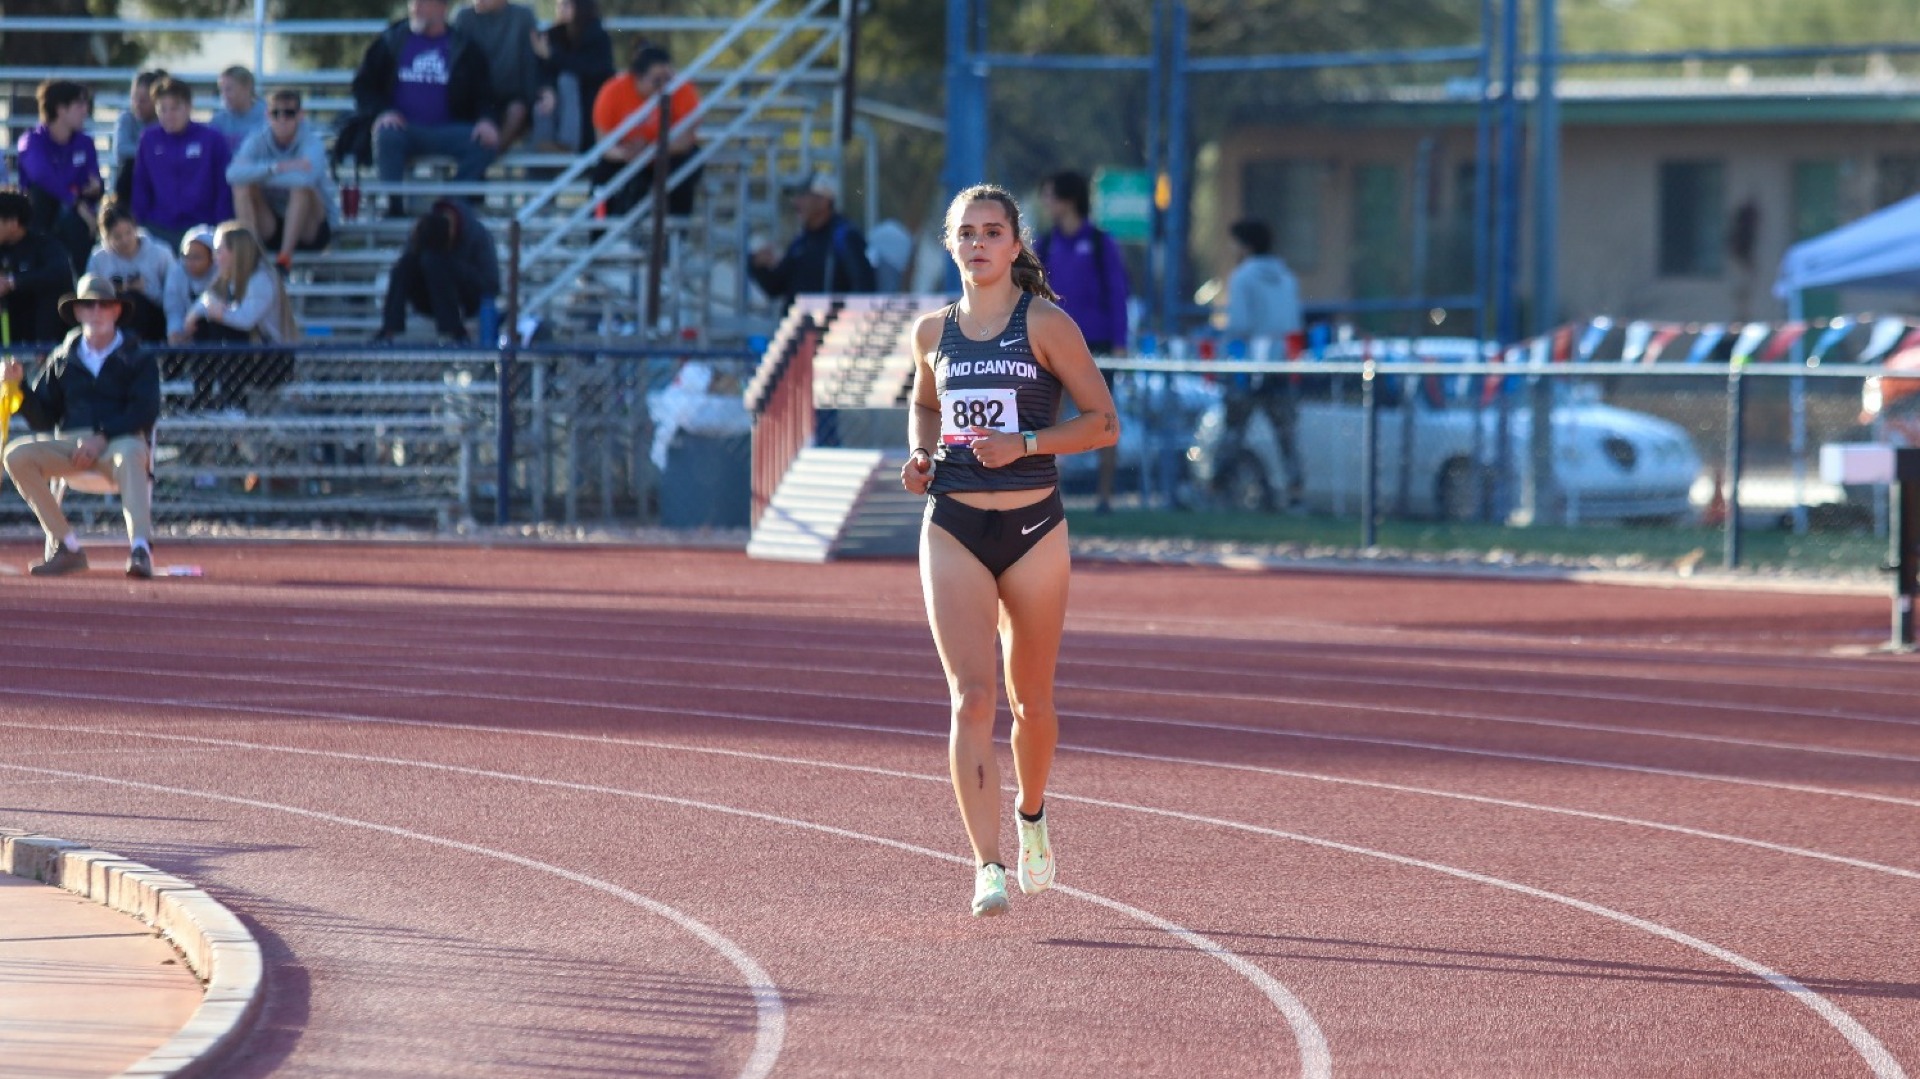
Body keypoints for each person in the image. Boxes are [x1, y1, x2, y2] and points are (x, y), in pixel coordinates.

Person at [898, 183, 1118, 917]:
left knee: (1032, 703)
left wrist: (1022, 443)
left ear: (1016, 244)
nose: (980, 243)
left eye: (994, 231)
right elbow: (925, 400)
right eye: (967, 233)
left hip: (1033, 531)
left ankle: (1031, 816)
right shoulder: (933, 332)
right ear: (951, 244)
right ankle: (985, 864)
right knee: (971, 697)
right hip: (953, 521)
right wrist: (921, 452)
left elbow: (1102, 423)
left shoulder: (1047, 325)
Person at [1, 273, 161, 578]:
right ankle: (68, 546)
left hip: (120, 442)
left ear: (116, 311)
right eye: (88, 305)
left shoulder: (139, 357)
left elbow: (145, 411)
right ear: (77, 312)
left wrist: (101, 438)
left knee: (130, 453)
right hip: (70, 445)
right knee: (15, 455)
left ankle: (140, 549)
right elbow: (44, 419)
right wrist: (19, 388)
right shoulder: (61, 358)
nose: (96, 312)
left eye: (104, 305)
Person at [1038, 170, 1131, 512]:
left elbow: (1117, 293)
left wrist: (1120, 342)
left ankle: (1104, 498)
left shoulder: (1099, 243)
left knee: (1103, 420)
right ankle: (1048, 496)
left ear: (1068, 198)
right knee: (1048, 421)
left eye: (1050, 195)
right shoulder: (1045, 245)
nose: (1046, 202)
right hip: (1053, 346)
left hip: (1098, 345)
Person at [352, 0, 501, 210]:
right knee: (386, 134)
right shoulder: (391, 40)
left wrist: (487, 120)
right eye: (413, 3)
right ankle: (394, 208)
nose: (416, 8)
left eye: (423, 3)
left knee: (485, 142)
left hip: (449, 129)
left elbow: (485, 94)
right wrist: (382, 113)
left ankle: (450, 209)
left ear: (442, 8)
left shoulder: (464, 47)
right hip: (404, 129)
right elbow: (363, 86)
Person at [1215, 217, 1305, 509]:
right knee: (1286, 435)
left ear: (1246, 245)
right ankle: (1295, 494)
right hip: (1281, 364)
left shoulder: (1242, 277)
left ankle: (1219, 489)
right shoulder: (1288, 277)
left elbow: (1239, 323)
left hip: (1248, 366)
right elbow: (1293, 322)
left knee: (1234, 431)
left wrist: (1225, 341)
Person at [181, 223, 296, 411]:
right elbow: (205, 302)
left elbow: (245, 320)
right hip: (250, 357)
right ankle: (201, 400)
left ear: (236, 252)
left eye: (219, 251)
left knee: (225, 329)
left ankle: (234, 407)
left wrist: (219, 312)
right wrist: (194, 315)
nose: (215, 258)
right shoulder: (227, 277)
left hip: (274, 362)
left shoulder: (262, 279)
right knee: (205, 325)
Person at [228, 89, 339, 271]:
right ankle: (250, 257)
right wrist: (278, 167)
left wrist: (256, 173)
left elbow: (305, 179)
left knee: (301, 189)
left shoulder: (312, 142)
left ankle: (284, 259)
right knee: (242, 187)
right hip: (271, 225)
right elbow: (232, 174)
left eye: (289, 113)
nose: (282, 119)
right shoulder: (257, 139)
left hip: (310, 229)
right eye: (275, 113)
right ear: (267, 115)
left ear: (300, 115)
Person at [591, 43, 703, 217]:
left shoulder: (682, 89)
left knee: (685, 168)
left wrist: (651, 149)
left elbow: (686, 140)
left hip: (667, 153)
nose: (665, 85)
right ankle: (598, 232)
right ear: (637, 78)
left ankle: (677, 234)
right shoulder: (613, 91)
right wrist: (625, 153)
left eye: (668, 78)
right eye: (657, 80)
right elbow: (604, 143)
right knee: (602, 176)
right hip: (629, 153)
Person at [373, 198, 499, 343]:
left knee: (435, 261)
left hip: (469, 299)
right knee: (407, 263)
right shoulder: (424, 230)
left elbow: (491, 284)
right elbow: (404, 271)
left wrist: (453, 267)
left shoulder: (477, 234)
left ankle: (454, 332)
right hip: (429, 299)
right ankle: (390, 329)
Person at [132, 77, 234, 250]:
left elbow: (223, 188)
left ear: (188, 107)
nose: (169, 115)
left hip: (203, 227)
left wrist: (220, 227)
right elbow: (141, 185)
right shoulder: (149, 139)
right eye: (162, 109)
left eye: (175, 108)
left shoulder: (211, 139)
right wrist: (139, 224)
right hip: (158, 227)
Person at [748, 172, 874, 309]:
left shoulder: (845, 237)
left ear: (824, 201)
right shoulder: (801, 242)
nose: (796, 202)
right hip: (800, 327)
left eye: (803, 196)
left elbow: (863, 290)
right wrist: (758, 265)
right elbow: (775, 287)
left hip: (832, 328)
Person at [15, 78, 104, 273]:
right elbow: (41, 176)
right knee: (41, 196)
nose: (85, 110)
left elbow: (93, 181)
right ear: (61, 109)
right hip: (41, 220)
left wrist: (92, 190)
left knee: (78, 220)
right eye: (79, 104)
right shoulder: (31, 141)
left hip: (76, 221)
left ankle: (80, 285)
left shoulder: (85, 142)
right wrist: (75, 200)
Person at [85, 197, 188, 345]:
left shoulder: (161, 253)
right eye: (117, 237)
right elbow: (88, 298)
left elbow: (174, 298)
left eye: (128, 232)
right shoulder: (98, 258)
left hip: (155, 320)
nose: (125, 240)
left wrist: (146, 289)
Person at [453, 0, 542, 150]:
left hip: (509, 97)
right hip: (475, 99)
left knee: (517, 111)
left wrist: (533, 99)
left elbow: (530, 65)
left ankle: (490, 154)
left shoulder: (522, 16)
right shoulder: (463, 17)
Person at [530, 0, 614, 153]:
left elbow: (591, 70)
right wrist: (548, 90)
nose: (560, 9)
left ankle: (567, 144)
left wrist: (552, 56)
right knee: (543, 101)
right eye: (559, 5)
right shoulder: (552, 35)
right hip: (557, 100)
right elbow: (542, 71)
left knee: (567, 80)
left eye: (566, 5)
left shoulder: (597, 37)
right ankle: (543, 148)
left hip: (587, 101)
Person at [0, 186, 74, 345]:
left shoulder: (45, 245)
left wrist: (13, 282)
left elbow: (59, 273)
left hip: (41, 325)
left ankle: (43, 350)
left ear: (13, 223)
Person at [110, 69, 167, 205]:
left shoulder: (165, 122)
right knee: (130, 166)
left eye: (143, 100)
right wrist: (153, 153)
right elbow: (121, 150)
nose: (137, 104)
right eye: (134, 98)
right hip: (133, 180)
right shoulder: (126, 119)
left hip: (159, 180)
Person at [210, 66, 268, 152]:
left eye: (229, 89)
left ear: (247, 88)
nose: (224, 95)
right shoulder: (219, 121)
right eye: (221, 90)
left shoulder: (270, 116)